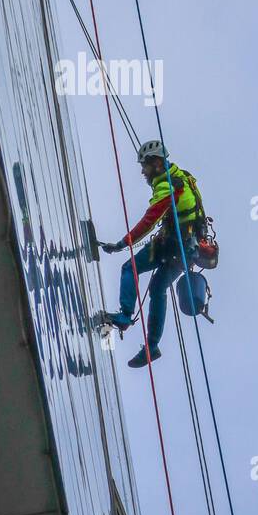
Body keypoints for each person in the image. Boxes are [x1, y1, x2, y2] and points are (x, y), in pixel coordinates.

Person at [101, 139, 204, 368]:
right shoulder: (182, 177)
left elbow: (150, 220)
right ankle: (152, 347)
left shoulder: (169, 185)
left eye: (144, 166)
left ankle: (125, 316)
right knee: (158, 289)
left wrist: (122, 243)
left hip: (172, 245)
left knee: (130, 268)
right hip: (186, 250)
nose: (142, 172)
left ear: (156, 163)